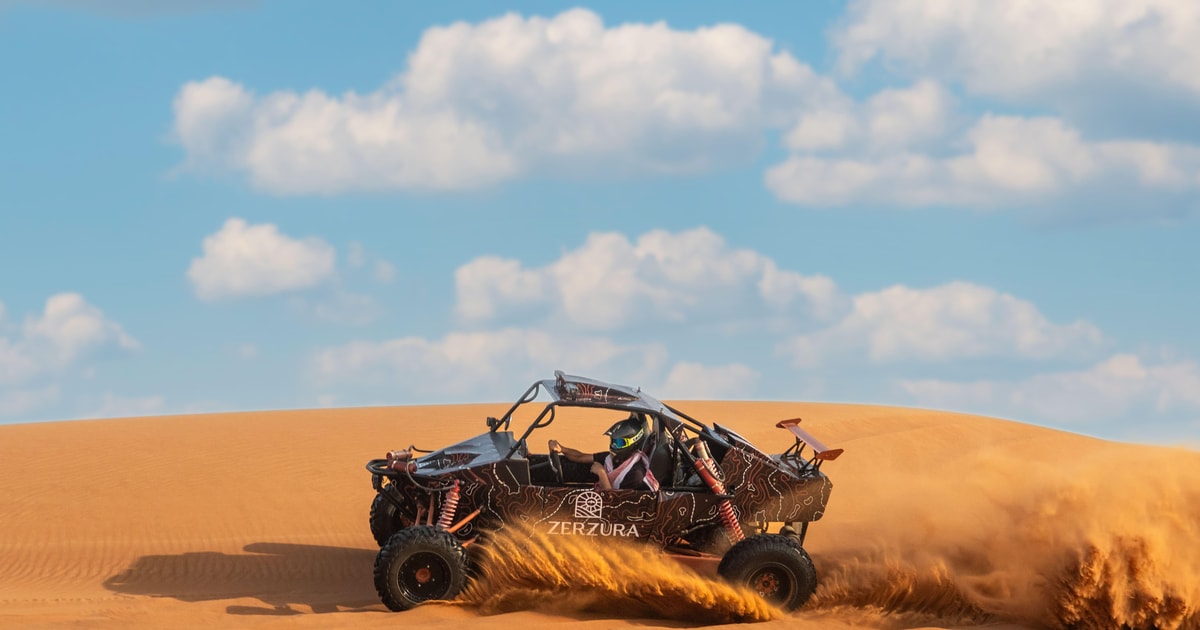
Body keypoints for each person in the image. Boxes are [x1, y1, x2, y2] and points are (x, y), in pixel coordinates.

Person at [549, 413, 660, 491]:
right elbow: (580, 457)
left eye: (619, 443)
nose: (613, 446)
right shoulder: (610, 459)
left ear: (633, 443)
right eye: (613, 441)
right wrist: (562, 449)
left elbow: (614, 503)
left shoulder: (636, 474)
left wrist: (602, 473)